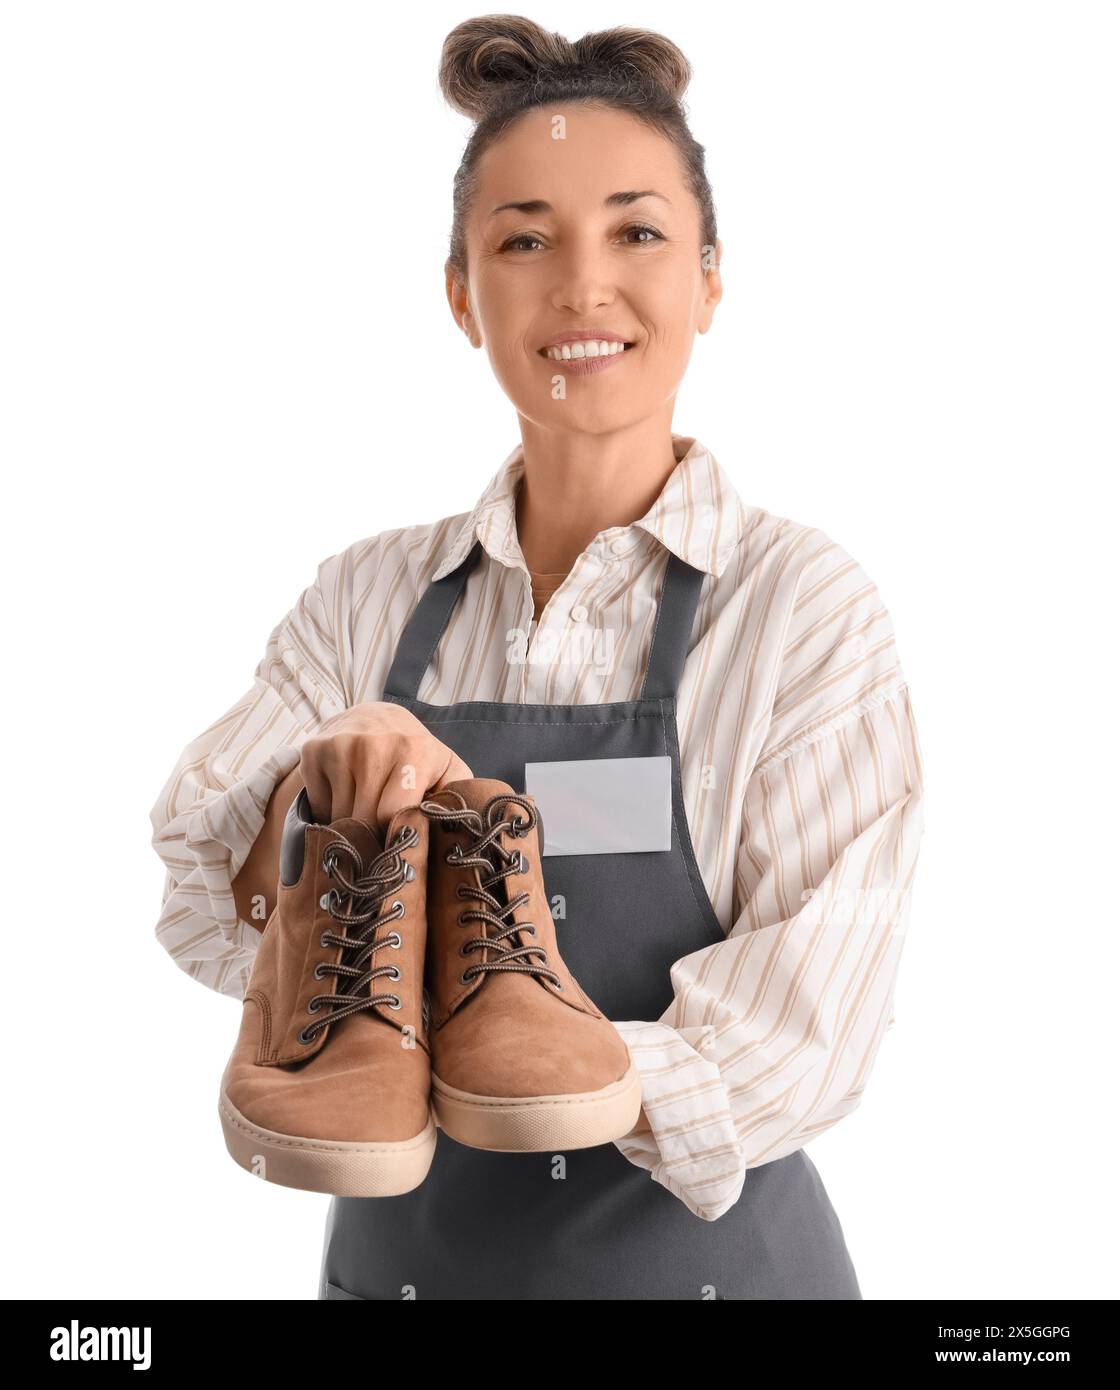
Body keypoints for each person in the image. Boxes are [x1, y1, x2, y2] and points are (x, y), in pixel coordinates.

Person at [149, 15, 925, 1300]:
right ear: (461, 291)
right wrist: (322, 795)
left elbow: (809, 1033)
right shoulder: (367, 598)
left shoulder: (801, 608)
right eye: (523, 239)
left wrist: (530, 1055)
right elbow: (200, 897)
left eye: (636, 232)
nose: (581, 286)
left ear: (710, 279)